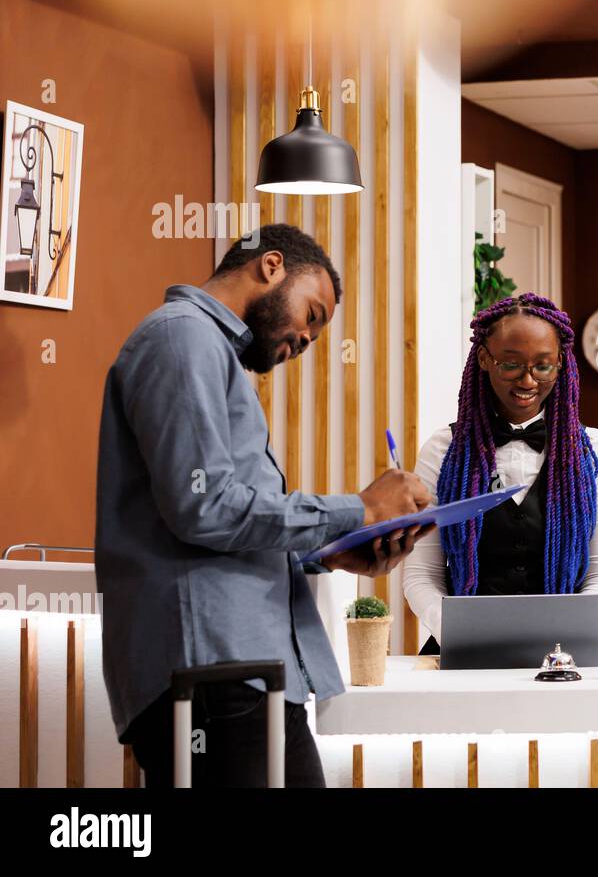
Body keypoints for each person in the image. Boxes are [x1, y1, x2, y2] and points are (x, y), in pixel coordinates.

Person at [96, 224, 433, 787]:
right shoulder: (183, 339)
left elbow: (209, 528)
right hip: (214, 678)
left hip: (234, 679)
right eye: (313, 315)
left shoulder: (204, 350)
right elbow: (203, 507)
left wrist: (330, 555)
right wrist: (360, 509)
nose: (307, 338)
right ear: (272, 266)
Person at [404, 293, 598, 651]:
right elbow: (421, 574)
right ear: (485, 359)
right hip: (461, 649)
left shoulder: (593, 451)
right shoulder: (443, 450)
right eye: (511, 364)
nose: (527, 381)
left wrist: (564, 637)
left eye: (543, 365)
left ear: (560, 366)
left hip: (562, 652)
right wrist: (463, 637)